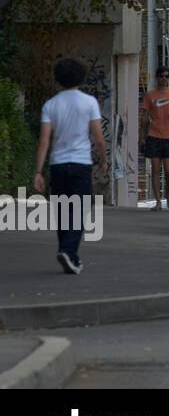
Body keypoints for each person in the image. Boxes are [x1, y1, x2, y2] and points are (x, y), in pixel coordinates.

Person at [33, 57, 108, 274]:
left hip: (58, 165)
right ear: (81, 77)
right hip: (80, 165)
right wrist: (103, 160)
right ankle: (67, 251)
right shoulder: (89, 102)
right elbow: (98, 137)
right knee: (80, 210)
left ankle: (69, 255)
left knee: (62, 211)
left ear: (58, 78)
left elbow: (44, 140)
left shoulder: (51, 105)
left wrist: (38, 171)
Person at [142, 67, 169, 210]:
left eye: (167, 76)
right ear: (156, 78)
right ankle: (158, 202)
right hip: (154, 135)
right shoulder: (150, 95)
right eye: (161, 76)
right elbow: (145, 117)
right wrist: (142, 136)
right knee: (155, 169)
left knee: (168, 170)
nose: (164, 79)